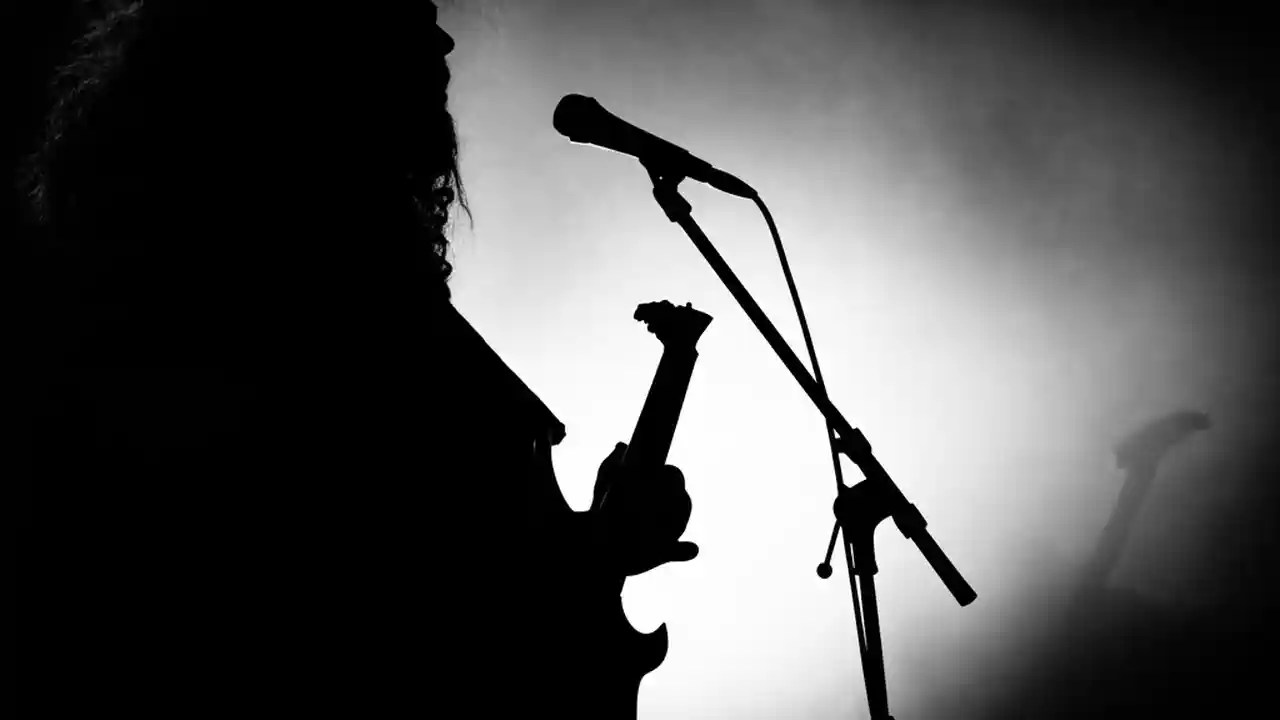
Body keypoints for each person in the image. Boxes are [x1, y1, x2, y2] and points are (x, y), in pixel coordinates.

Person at [17, 1, 697, 715]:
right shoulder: (233, 286)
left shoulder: (371, 286)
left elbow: (467, 556)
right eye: (409, 9)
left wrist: (597, 549)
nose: (443, 38)